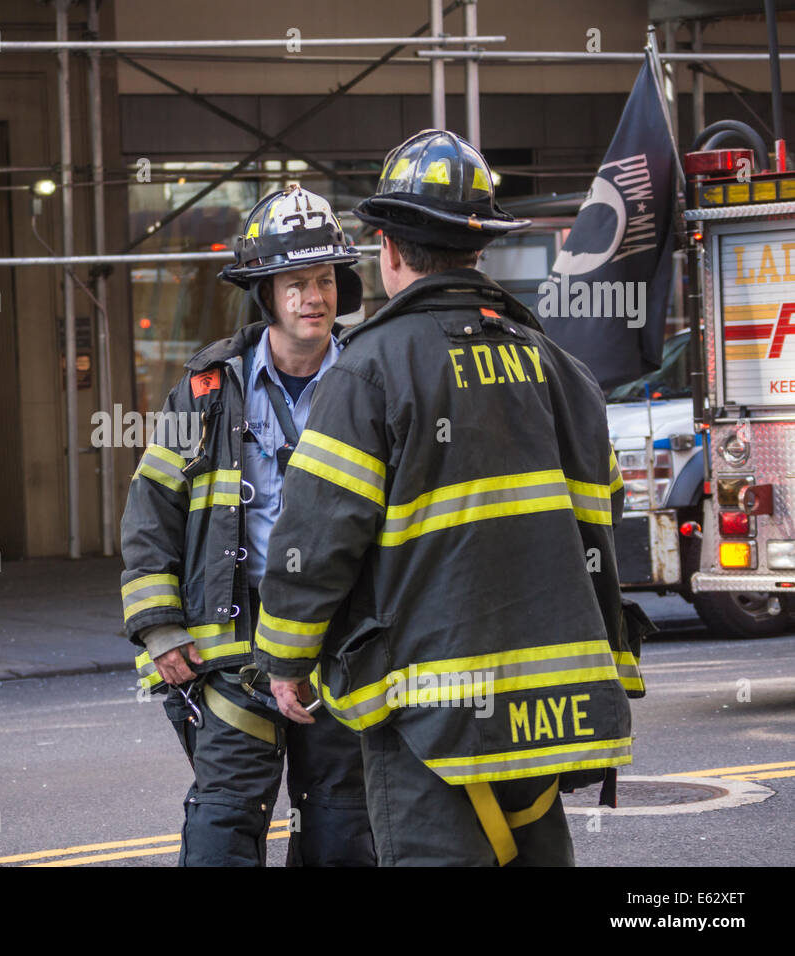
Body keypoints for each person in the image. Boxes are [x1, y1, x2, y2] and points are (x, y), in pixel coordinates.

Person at [255, 130, 642, 866]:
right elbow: (601, 530)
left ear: (388, 251)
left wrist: (285, 657)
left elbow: (318, 535)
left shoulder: (369, 371)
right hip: (547, 714)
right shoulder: (560, 368)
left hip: (428, 719)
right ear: (478, 248)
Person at [120, 184, 375, 866]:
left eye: (324, 280)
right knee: (223, 823)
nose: (313, 298)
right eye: (296, 283)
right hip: (233, 655)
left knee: (344, 827)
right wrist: (161, 627)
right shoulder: (203, 389)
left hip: (342, 646)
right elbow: (151, 509)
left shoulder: (371, 379)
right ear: (266, 292)